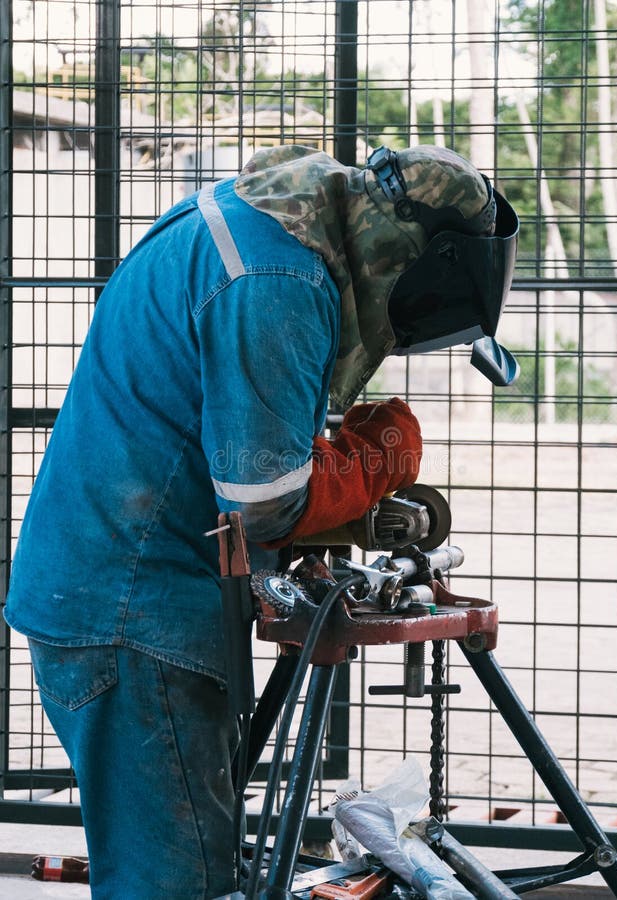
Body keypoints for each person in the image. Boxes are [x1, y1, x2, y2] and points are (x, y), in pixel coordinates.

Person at [4, 142, 518, 898]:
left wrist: (334, 457)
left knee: (175, 870)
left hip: (115, 597)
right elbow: (264, 502)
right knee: (176, 887)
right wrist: (373, 461)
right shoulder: (277, 279)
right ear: (414, 262)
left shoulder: (262, 222)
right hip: (136, 618)